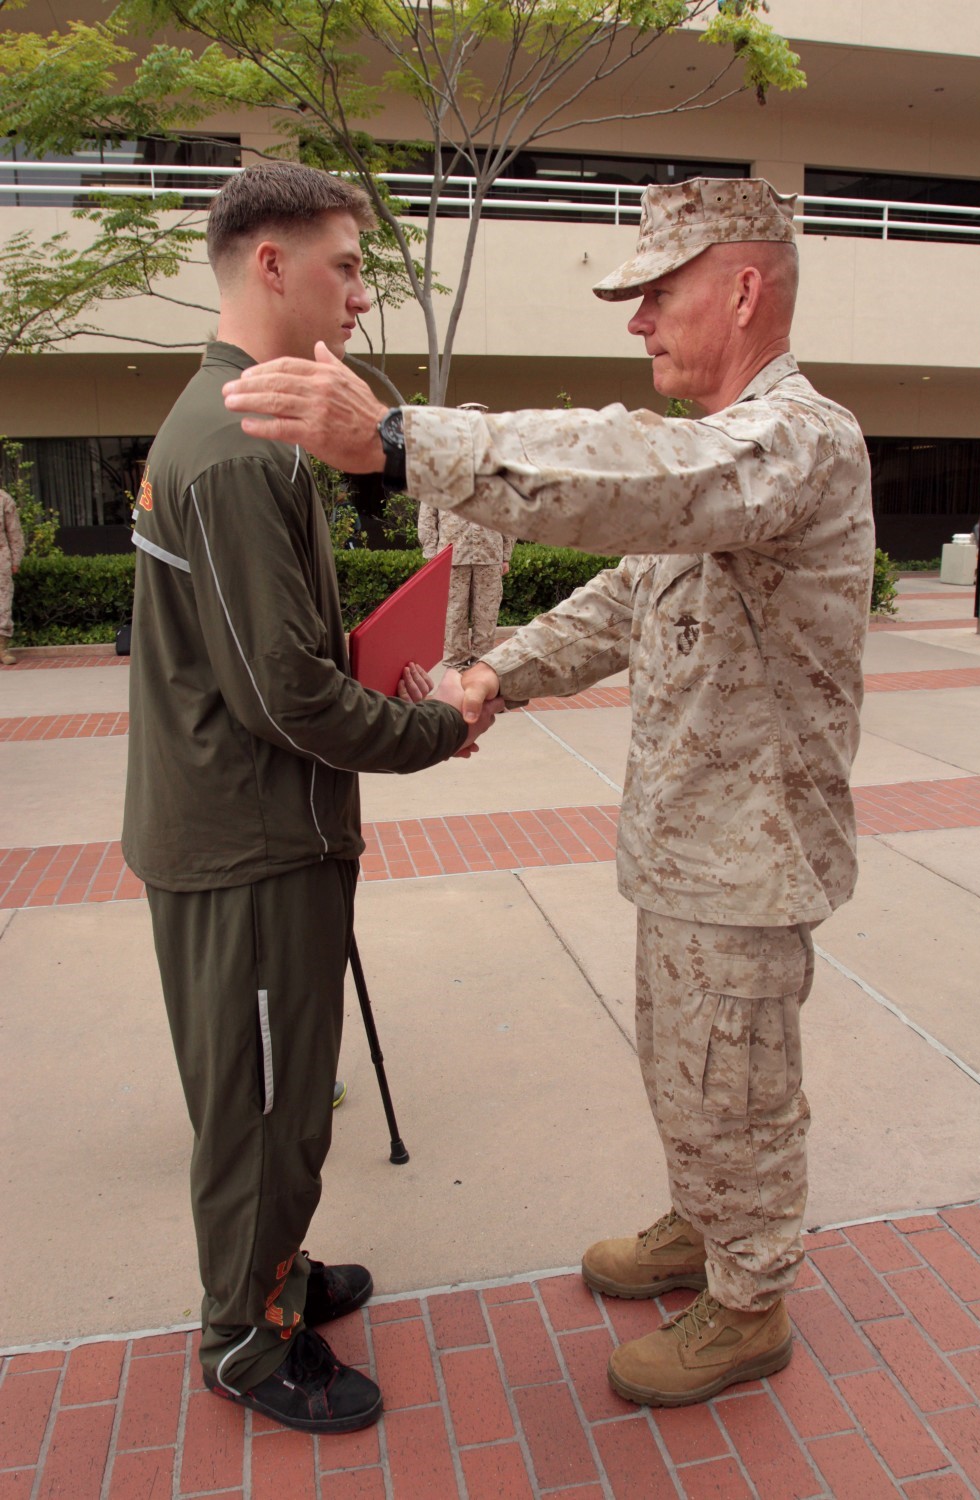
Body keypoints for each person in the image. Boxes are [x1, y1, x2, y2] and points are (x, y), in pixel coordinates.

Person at [222, 175, 875, 1408]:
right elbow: (627, 597)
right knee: (689, 1069)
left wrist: (406, 440)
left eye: (657, 294)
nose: (636, 322)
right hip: (692, 844)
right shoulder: (723, 467)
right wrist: (489, 678)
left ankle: (749, 1305)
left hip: (750, 855)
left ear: (741, 289)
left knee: (733, 1080)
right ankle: (703, 1225)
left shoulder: (793, 441)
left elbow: (626, 471)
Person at [122, 161, 499, 1437]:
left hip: (256, 829)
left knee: (279, 1087)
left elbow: (273, 658)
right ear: (269, 265)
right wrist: (433, 725)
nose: (358, 293)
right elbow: (282, 697)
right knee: (262, 1099)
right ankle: (244, 1334)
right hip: (250, 840)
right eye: (344, 264)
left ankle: (275, 1272)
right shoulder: (232, 452)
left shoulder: (246, 428)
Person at [417, 479, 515, 667]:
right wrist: (431, 554)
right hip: (452, 555)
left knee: (487, 614)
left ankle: (482, 664)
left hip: (489, 554)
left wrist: (506, 554)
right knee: (453, 615)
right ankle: (455, 666)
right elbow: (427, 514)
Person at [0, 485, 25, 666]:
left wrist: (16, 560)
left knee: (3, 603)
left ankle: (2, 647)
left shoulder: (4, 499)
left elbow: (14, 531)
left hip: (1, 559)